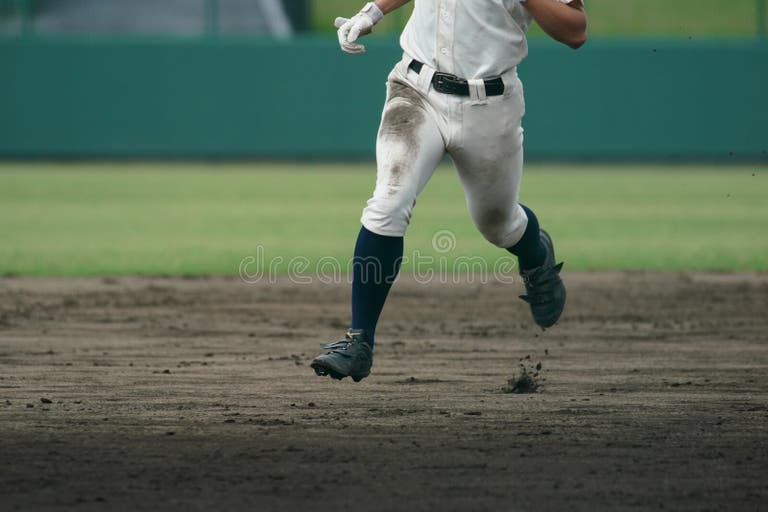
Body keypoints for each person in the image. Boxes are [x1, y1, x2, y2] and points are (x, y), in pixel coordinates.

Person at [311, 0, 587, 382]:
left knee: (499, 225)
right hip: (416, 89)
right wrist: (372, 11)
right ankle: (359, 341)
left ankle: (535, 256)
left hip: (491, 105)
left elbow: (575, 31)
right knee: (389, 201)